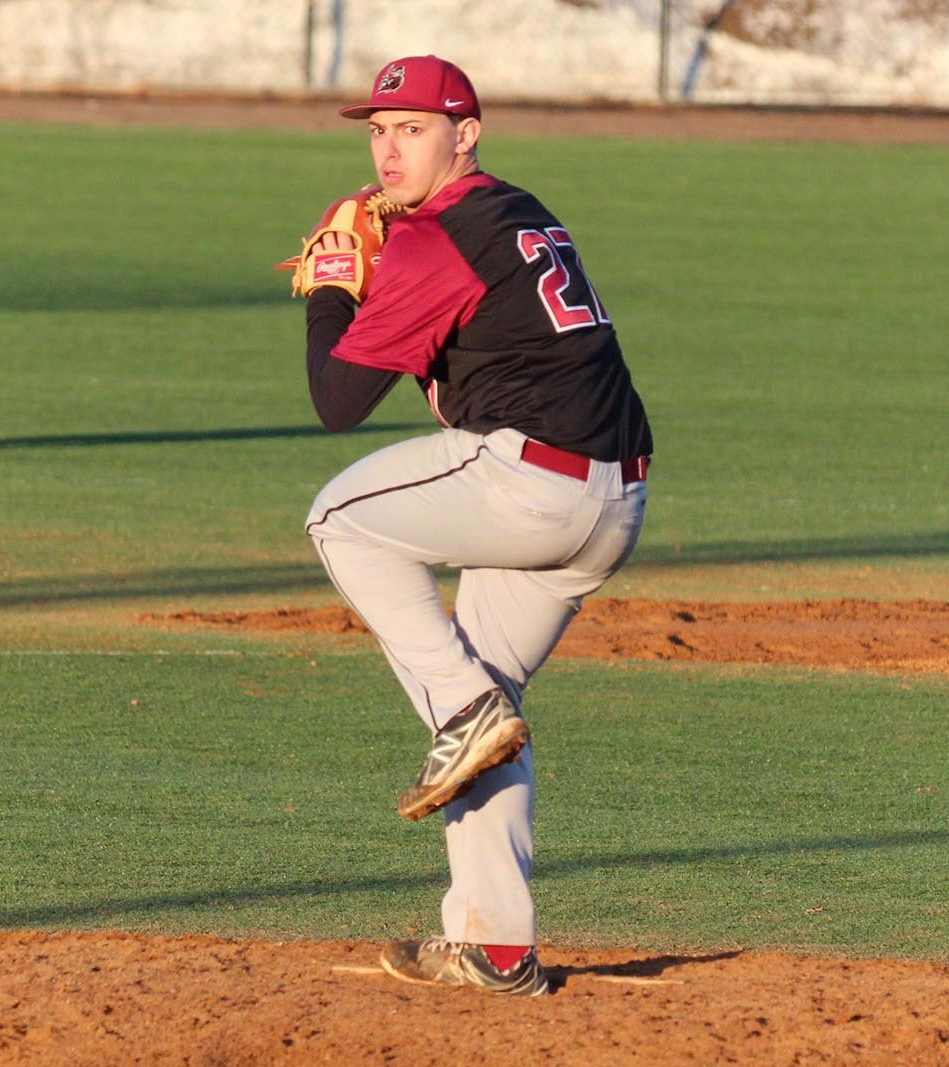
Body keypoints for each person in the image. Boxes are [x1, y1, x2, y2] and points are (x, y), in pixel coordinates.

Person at [293, 55, 653, 997]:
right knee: (486, 708)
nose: (387, 149)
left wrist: (334, 286)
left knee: (339, 515)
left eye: (413, 128)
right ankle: (494, 944)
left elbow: (337, 399)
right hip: (616, 501)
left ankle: (463, 708)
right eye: (377, 129)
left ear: (467, 134)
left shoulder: (430, 240)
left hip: (533, 484)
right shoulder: (519, 208)